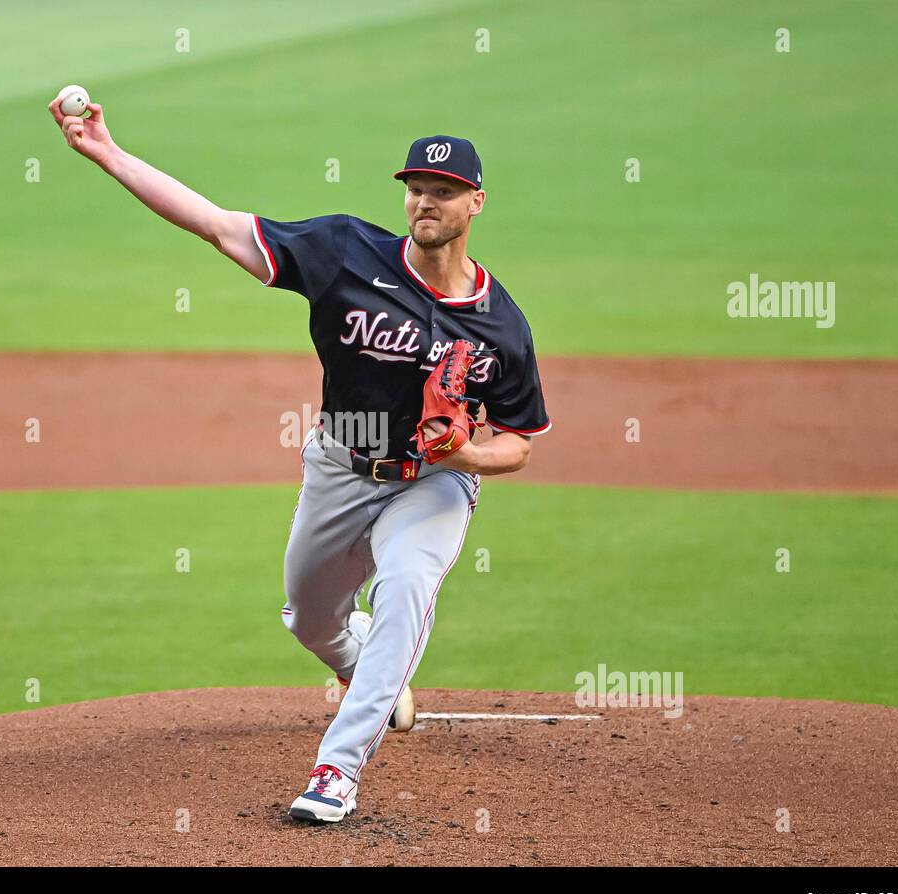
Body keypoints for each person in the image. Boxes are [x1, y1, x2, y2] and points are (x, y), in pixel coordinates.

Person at [49, 96, 550, 823]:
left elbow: (521, 442)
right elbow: (216, 226)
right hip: (340, 468)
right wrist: (107, 153)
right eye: (415, 188)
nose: (425, 202)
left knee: (408, 589)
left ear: (476, 202)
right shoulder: (344, 252)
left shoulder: (501, 325)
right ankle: (365, 665)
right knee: (310, 619)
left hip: (432, 484)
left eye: (443, 191)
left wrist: (470, 452)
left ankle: (336, 772)